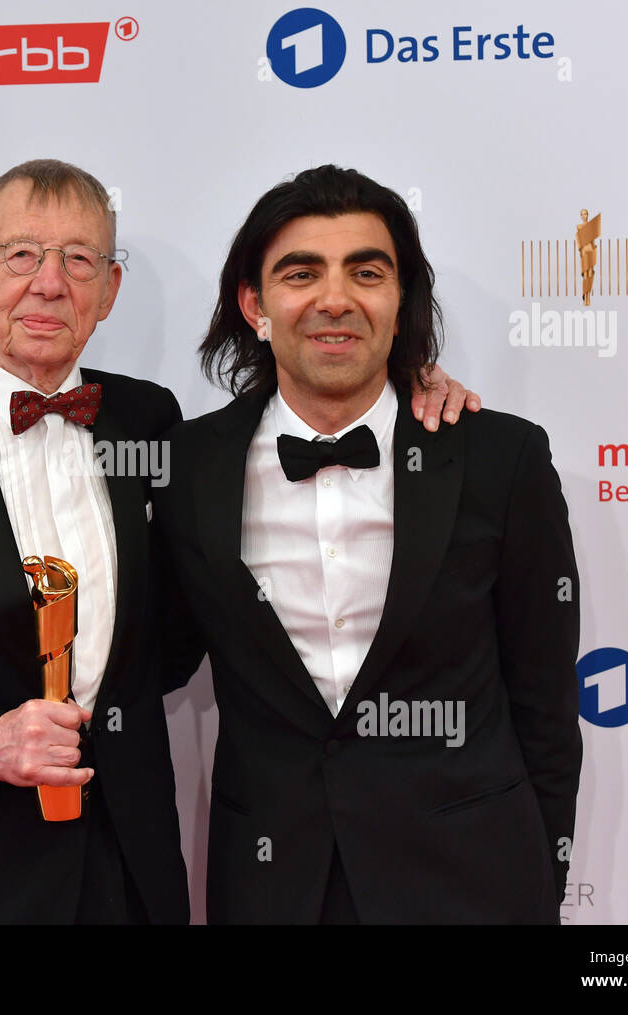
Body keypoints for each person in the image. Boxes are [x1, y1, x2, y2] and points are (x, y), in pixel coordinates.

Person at [0, 159, 474, 923]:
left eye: (79, 259)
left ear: (108, 290)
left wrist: (407, 387)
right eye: (21, 255)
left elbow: (293, 425)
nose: (48, 283)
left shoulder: (152, 424)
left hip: (129, 880)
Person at [155, 165, 582, 923]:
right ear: (255, 304)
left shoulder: (499, 459)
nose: (335, 298)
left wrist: (537, 874)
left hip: (474, 882)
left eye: (366, 271)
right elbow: (154, 651)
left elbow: (546, 703)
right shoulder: (188, 466)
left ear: (399, 300)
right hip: (272, 883)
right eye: (300, 272)